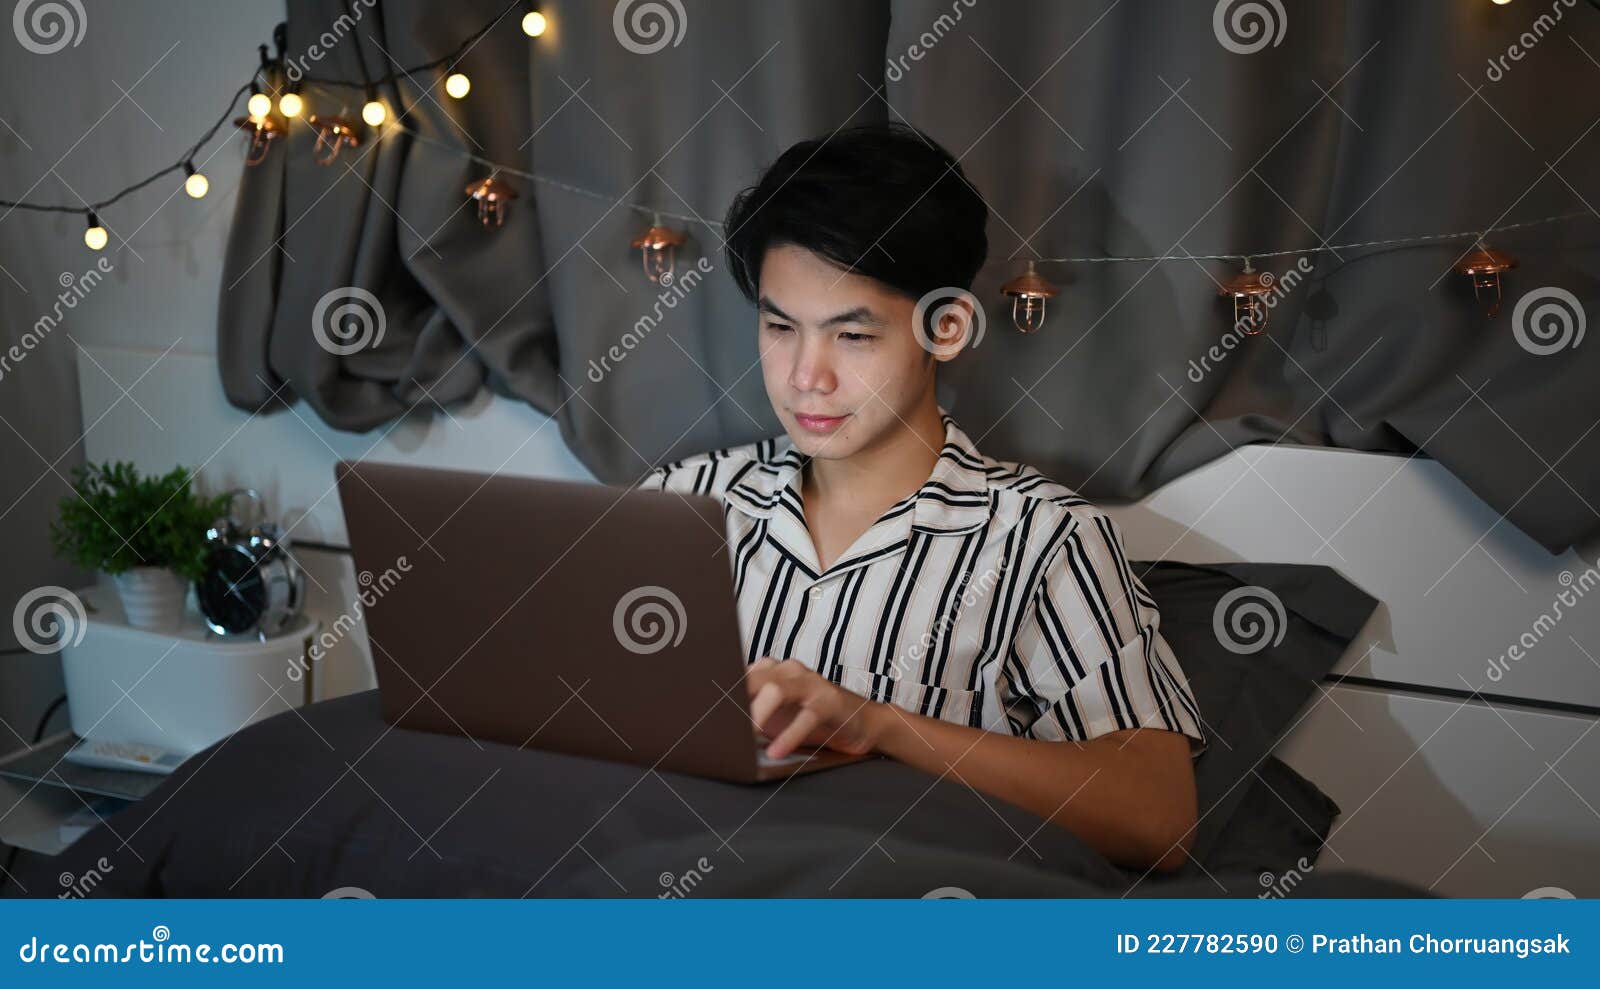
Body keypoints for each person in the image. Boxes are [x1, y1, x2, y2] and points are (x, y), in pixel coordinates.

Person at [638, 122, 1206, 873]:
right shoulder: (684, 499)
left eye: (852, 336)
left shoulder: (1041, 539)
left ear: (944, 328)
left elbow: (1157, 816)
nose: (806, 376)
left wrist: (878, 725)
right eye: (781, 327)